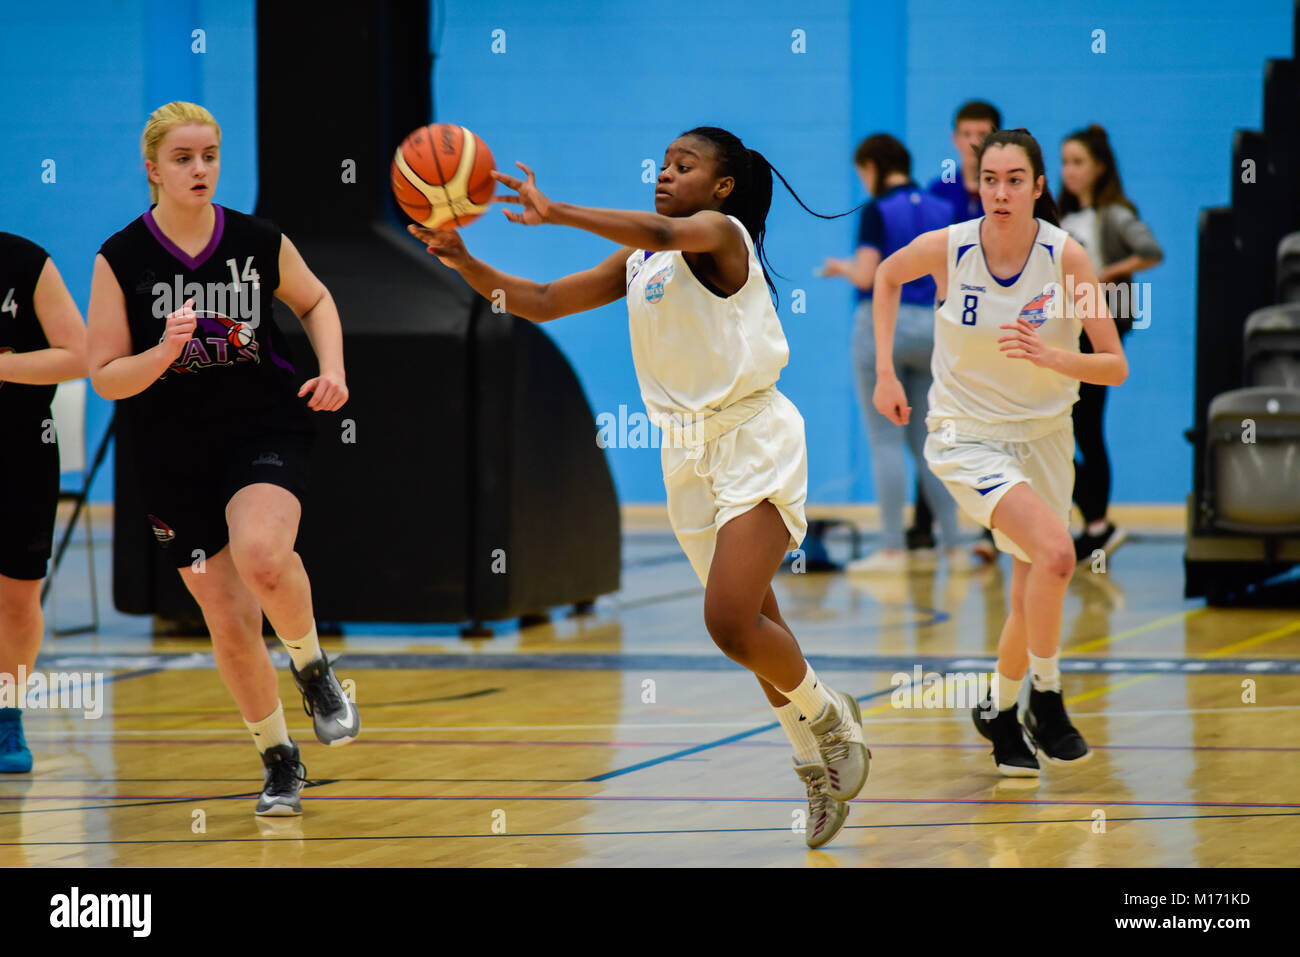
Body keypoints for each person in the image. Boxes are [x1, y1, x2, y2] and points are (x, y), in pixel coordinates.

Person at [410, 127, 869, 847]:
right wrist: (468, 261)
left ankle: (831, 714)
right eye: (663, 163)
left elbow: (664, 226)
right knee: (756, 631)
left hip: (754, 437)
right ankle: (813, 758)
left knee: (728, 622)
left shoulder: (721, 234)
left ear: (721, 187)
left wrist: (554, 210)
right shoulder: (643, 259)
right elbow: (539, 298)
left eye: (685, 166)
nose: (665, 173)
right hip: (685, 456)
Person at [86, 101, 360, 815]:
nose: (199, 168)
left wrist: (332, 367)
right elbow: (106, 376)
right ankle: (279, 759)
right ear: (152, 170)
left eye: (209, 154)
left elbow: (317, 299)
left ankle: (312, 666)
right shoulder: (120, 258)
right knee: (229, 616)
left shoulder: (255, 239)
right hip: (172, 451)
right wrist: (163, 352)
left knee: (264, 554)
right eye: (183, 158)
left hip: (262, 426)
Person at [871, 129, 1127, 776]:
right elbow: (884, 276)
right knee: (1059, 553)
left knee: (1031, 588)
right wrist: (885, 373)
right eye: (991, 179)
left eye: (1016, 179)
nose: (1002, 191)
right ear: (976, 184)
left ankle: (998, 707)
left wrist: (1052, 355)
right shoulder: (949, 248)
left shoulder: (1066, 258)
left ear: (1040, 187)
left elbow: (1114, 365)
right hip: (967, 435)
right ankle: (1047, 693)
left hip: (1045, 435)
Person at [821, 133, 970, 574]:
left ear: (871, 167)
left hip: (883, 328)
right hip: (934, 329)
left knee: (885, 442)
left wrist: (840, 268)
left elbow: (868, 275)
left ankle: (890, 550)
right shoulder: (944, 209)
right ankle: (955, 548)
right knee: (929, 445)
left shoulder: (876, 211)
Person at [0, 237, 87, 773]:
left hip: (21, 447)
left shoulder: (26, 262)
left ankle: (8, 716)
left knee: (17, 596)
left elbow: (77, 356)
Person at [1059, 124, 1163, 561]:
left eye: (1078, 162)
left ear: (1100, 167)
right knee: (1065, 427)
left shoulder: (1114, 213)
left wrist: (1104, 274)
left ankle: (1099, 524)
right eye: (1064, 162)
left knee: (1085, 427)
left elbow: (1152, 251)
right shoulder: (1063, 216)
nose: (1069, 171)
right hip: (1066, 329)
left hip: (1096, 331)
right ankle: (1095, 523)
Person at [921, 100, 1003, 562]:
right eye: (966, 133)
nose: (974, 142)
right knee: (936, 418)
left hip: (999, 320)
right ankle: (925, 525)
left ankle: (995, 530)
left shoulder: (1008, 191)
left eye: (983, 133)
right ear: (955, 139)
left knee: (993, 419)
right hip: (952, 320)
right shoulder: (940, 190)